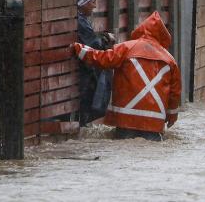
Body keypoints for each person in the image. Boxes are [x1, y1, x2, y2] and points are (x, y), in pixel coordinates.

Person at [70, 11, 181, 141]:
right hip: (154, 123)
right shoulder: (169, 59)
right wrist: (172, 117)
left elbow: (102, 59)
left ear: (141, 29)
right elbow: (175, 93)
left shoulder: (127, 48)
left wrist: (79, 48)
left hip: (125, 119)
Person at [76, 0, 115, 126]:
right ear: (82, 2)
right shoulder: (80, 22)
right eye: (91, 2)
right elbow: (94, 45)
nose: (94, 6)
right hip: (84, 76)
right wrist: (105, 41)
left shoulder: (80, 19)